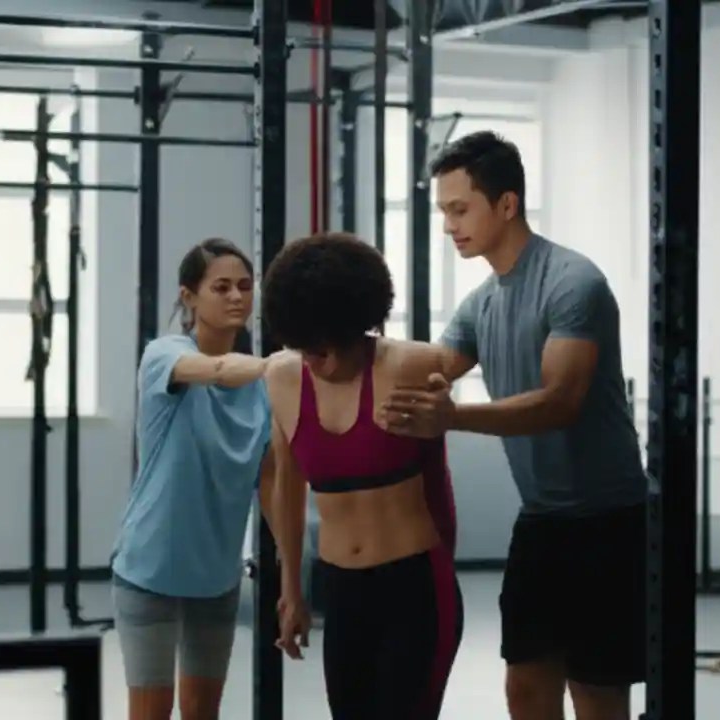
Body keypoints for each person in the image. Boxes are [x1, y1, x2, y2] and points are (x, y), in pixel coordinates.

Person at [375, 130, 649, 720]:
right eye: (443, 211)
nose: (449, 225)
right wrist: (346, 346)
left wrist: (453, 418)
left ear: (506, 204)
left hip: (608, 521)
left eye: (459, 208)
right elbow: (434, 368)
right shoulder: (482, 302)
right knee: (524, 688)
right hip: (542, 521)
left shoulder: (574, 284)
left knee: (596, 695)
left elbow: (560, 402)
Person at [262, 233, 464, 720]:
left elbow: (440, 478)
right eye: (307, 351)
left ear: (361, 328)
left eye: (328, 351)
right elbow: (286, 484)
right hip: (344, 592)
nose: (318, 363)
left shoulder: (413, 365)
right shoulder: (283, 378)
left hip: (415, 586)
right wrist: (291, 587)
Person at [109, 238, 277, 720]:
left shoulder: (262, 390)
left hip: (217, 577)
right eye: (221, 287)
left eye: (245, 286)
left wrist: (289, 578)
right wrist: (281, 367)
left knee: (203, 712)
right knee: (151, 711)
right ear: (189, 297)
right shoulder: (165, 356)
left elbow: (270, 483)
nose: (236, 297)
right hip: (149, 571)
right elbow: (220, 370)